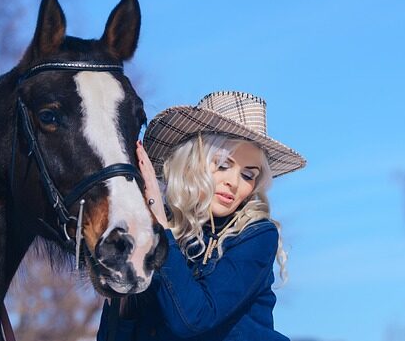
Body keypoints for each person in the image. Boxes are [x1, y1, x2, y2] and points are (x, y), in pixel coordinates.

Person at [97, 91, 306, 341]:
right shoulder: (154, 231)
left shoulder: (256, 236)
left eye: (248, 175)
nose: (233, 183)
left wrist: (160, 228)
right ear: (191, 163)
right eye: (223, 165)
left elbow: (194, 320)